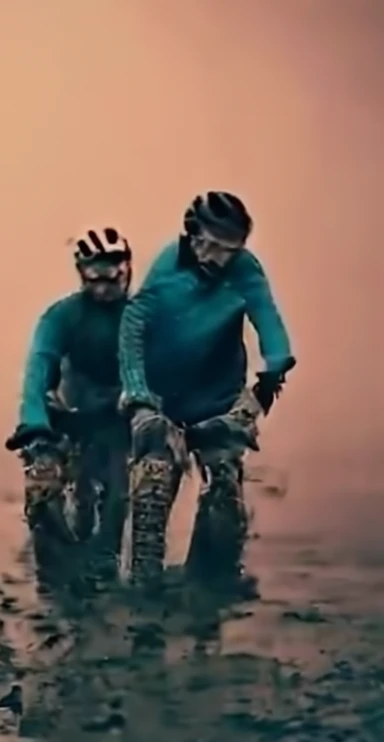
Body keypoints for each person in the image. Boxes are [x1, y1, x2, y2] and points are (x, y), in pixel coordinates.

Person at [117, 191, 296, 587]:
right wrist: (139, 397)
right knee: (151, 488)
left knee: (223, 494)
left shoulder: (245, 270)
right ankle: (142, 589)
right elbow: (132, 325)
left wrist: (264, 388)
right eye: (210, 245)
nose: (217, 258)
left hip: (217, 399)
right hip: (161, 398)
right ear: (192, 235)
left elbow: (272, 330)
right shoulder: (168, 265)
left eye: (228, 249)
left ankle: (212, 587)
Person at [6, 226, 134, 582]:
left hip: (119, 411)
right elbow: (38, 368)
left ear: (128, 270)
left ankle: (108, 558)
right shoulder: (62, 316)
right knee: (44, 483)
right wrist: (33, 424)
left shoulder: (141, 314)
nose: (106, 289)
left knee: (118, 490)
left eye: (114, 279)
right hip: (70, 409)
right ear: (82, 277)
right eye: (96, 281)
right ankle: (51, 566)